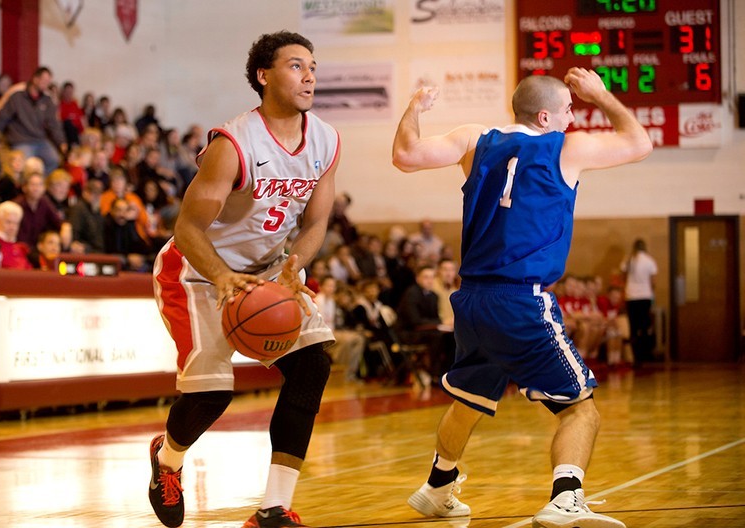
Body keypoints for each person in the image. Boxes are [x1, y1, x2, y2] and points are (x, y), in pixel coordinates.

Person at [391, 68, 652, 526]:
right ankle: (566, 498)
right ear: (546, 116)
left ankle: (437, 487)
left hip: (471, 299)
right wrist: (602, 96)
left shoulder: (475, 139)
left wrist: (413, 108)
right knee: (579, 408)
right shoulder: (567, 147)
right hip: (522, 298)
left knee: (468, 398)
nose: (574, 118)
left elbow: (405, 156)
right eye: (569, 111)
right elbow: (639, 143)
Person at [149, 30, 340, 528]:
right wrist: (224, 277)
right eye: (296, 65)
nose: (310, 74)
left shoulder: (325, 138)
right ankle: (167, 461)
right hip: (196, 271)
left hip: (268, 271)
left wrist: (295, 262)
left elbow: (317, 221)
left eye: (313, 65)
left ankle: (273, 508)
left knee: (313, 365)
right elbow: (186, 228)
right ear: (264, 75)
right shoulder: (233, 143)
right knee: (211, 394)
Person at [0, 66, 67, 174]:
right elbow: (2, 118)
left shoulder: (47, 99)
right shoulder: (17, 96)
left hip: (40, 140)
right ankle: (26, 187)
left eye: (48, 82)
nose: (46, 85)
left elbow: (53, 124)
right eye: (44, 81)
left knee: (54, 160)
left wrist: (61, 142)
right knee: (24, 165)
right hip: (21, 140)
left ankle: (39, 186)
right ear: (35, 79)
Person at [621, 238, 658, 366]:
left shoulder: (629, 260)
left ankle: (635, 357)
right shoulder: (649, 261)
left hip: (631, 296)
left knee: (633, 328)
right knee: (644, 326)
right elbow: (653, 282)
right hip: (645, 296)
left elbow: (623, 278)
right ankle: (645, 355)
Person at [66, 178, 105, 254]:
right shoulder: (78, 208)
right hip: (85, 252)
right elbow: (75, 234)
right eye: (93, 193)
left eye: (99, 194)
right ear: (85, 192)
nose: (97, 197)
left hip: (96, 251)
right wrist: (86, 248)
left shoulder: (96, 210)